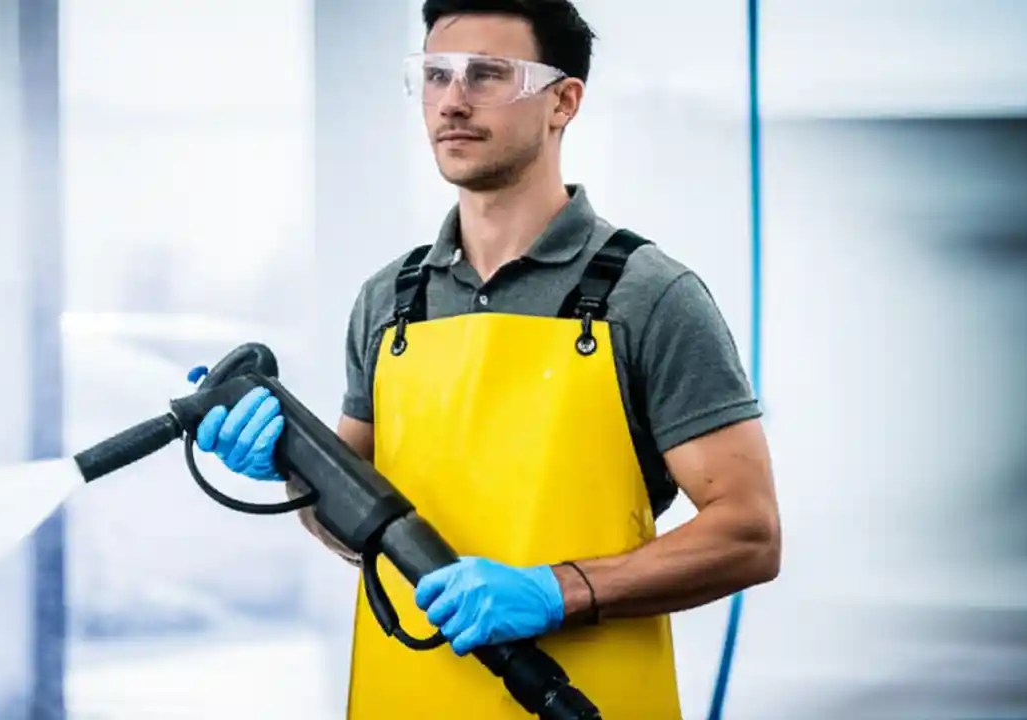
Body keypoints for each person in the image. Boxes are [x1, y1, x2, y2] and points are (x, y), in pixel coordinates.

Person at [189, 0, 781, 717]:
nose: (453, 101)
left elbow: (748, 533)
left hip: (586, 699)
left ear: (564, 101)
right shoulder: (390, 302)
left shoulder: (648, 295)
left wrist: (552, 591)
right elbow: (355, 535)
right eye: (435, 75)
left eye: (488, 75)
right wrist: (295, 475)